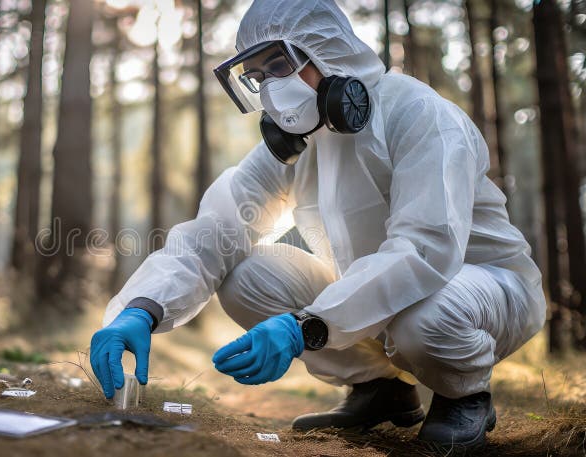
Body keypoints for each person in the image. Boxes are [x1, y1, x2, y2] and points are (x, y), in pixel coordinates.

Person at [90, 0, 546, 452]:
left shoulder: (419, 114)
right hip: (383, 303)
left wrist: (305, 326)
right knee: (246, 278)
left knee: (424, 316)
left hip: (480, 291)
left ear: (327, 51)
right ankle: (379, 390)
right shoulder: (301, 143)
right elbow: (216, 230)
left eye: (278, 65)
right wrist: (142, 308)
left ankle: (464, 395)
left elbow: (424, 251)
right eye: (258, 77)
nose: (272, 89)